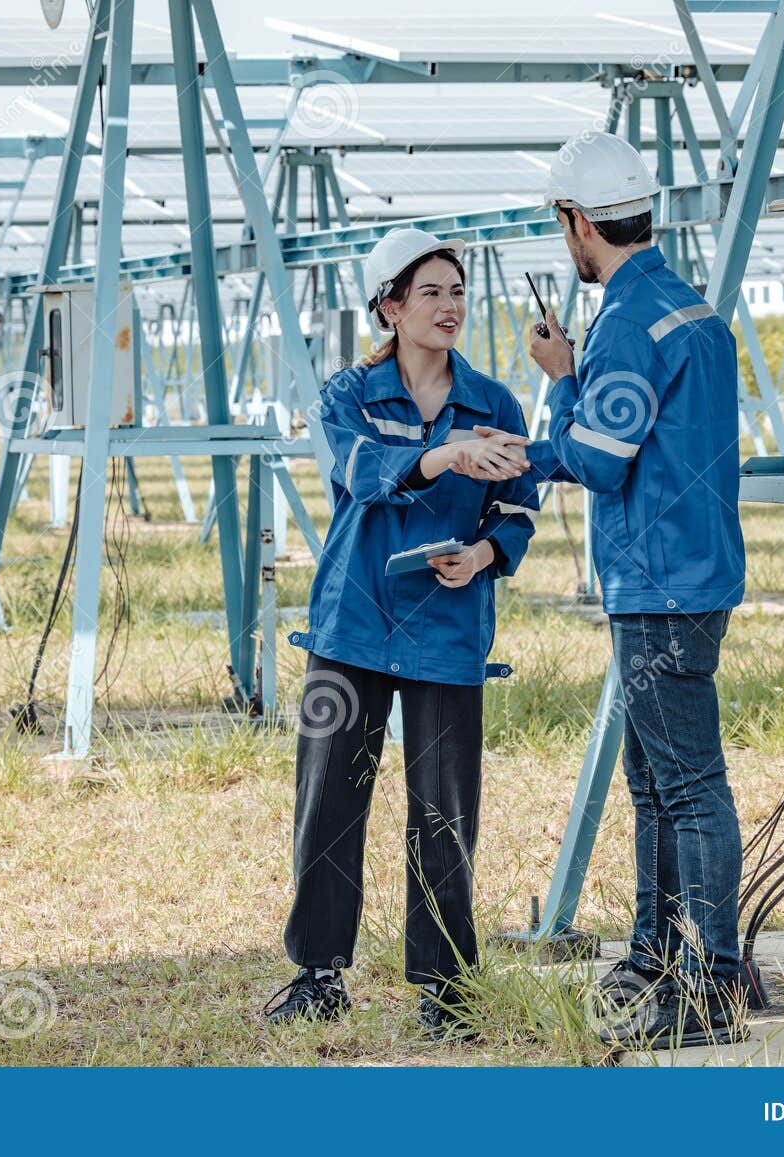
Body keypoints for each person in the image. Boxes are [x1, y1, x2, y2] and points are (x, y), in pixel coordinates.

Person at [476, 132, 747, 1047]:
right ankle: (658, 952)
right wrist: (577, 374)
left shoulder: (627, 320)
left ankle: (707, 982)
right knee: (656, 780)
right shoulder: (687, 309)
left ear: (578, 221)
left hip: (658, 583)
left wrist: (541, 424)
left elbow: (599, 455)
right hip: (693, 571)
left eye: (564, 226)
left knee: (687, 786)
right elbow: (647, 428)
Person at [264, 228, 539, 1039]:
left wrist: (488, 550)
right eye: (432, 293)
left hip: (448, 627)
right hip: (351, 625)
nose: (451, 306)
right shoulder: (346, 394)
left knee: (445, 810)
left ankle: (445, 989)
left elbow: (520, 506)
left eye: (458, 291)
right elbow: (357, 473)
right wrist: (442, 456)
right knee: (329, 801)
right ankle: (317, 973)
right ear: (389, 306)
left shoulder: (497, 405)